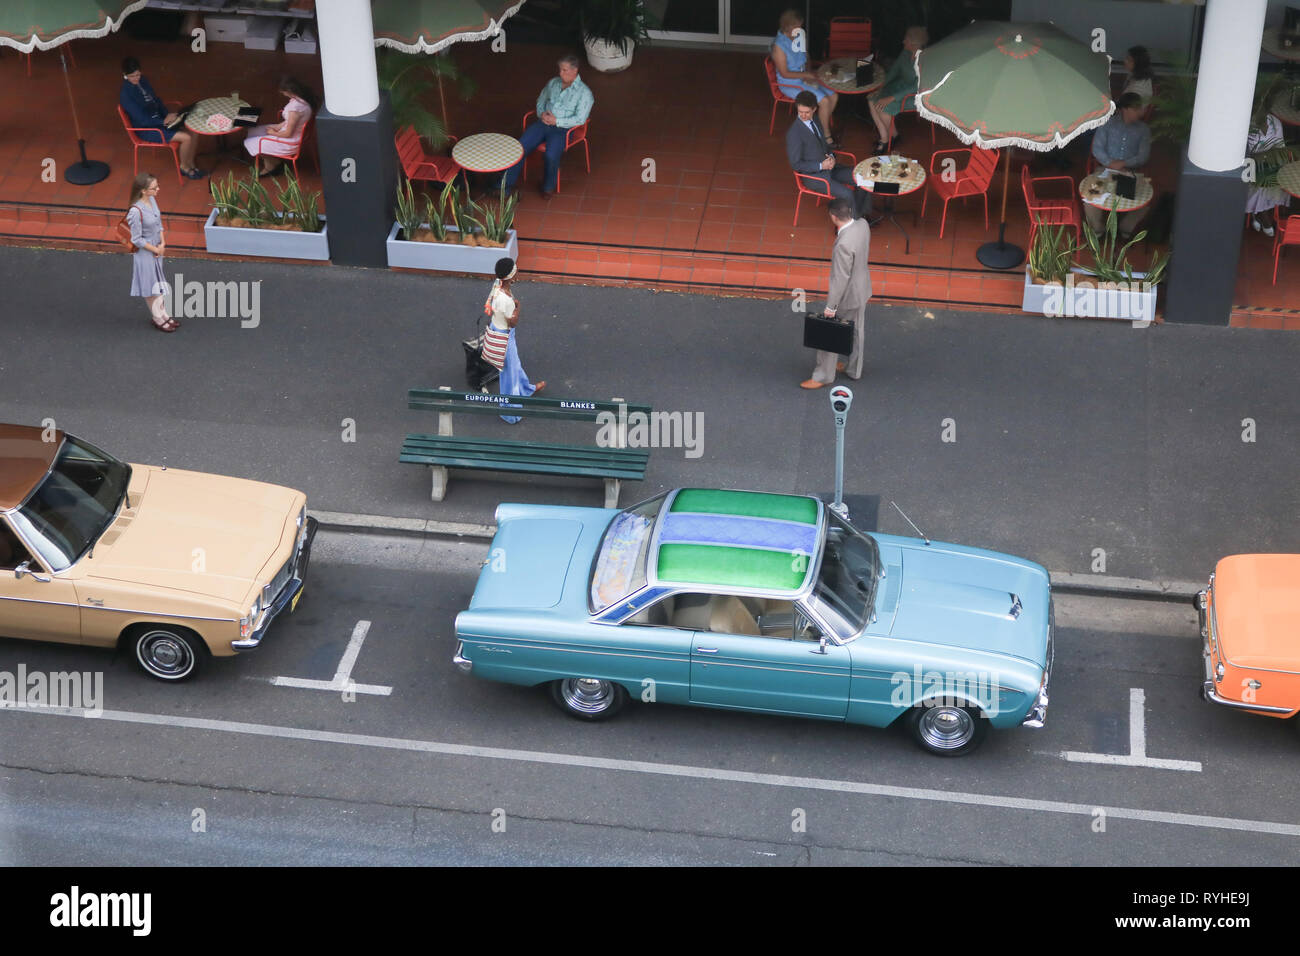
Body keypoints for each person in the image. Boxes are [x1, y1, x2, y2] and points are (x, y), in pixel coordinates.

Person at [502, 55, 594, 200]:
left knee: (551, 155)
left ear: (575, 71)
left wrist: (556, 121)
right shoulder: (553, 83)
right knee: (519, 148)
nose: (560, 73)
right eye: (560, 70)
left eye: (564, 70)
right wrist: (542, 114)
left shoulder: (585, 93)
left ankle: (548, 187)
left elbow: (580, 119)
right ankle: (504, 186)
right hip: (543, 123)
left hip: (563, 129)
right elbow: (541, 100)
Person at [803, 199, 870, 389]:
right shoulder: (863, 225)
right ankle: (853, 369)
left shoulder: (843, 245)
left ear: (833, 216)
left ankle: (822, 376)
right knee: (857, 331)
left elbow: (840, 279)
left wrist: (831, 307)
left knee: (828, 333)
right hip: (862, 288)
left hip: (847, 297)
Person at [787, 91, 872, 220]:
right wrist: (821, 165)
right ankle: (854, 224)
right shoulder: (794, 133)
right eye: (800, 112)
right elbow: (796, 164)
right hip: (814, 177)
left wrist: (831, 156)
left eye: (807, 112)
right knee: (847, 194)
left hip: (831, 168)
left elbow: (824, 144)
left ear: (814, 109)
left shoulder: (815, 119)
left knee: (864, 178)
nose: (803, 115)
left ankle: (861, 215)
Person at [118, 57, 206, 180]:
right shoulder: (126, 95)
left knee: (194, 131)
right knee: (186, 138)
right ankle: (184, 168)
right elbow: (143, 120)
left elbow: (156, 100)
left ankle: (190, 164)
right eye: (132, 76)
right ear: (125, 75)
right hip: (147, 129)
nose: (136, 78)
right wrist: (162, 121)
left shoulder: (143, 81)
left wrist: (167, 115)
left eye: (138, 74)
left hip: (160, 120)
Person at [484, 258, 545, 423]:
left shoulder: (497, 286)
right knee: (509, 375)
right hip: (505, 336)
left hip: (497, 329)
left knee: (515, 365)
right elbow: (513, 321)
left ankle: (526, 389)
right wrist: (518, 307)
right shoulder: (506, 300)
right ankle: (510, 414)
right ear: (511, 276)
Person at [771, 9, 841, 148]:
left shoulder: (798, 36)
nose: (800, 28)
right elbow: (784, 74)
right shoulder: (779, 46)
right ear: (787, 26)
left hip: (805, 77)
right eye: (797, 26)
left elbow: (806, 56)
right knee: (825, 101)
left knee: (834, 95)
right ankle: (826, 138)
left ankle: (816, 129)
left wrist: (809, 72)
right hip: (790, 83)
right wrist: (806, 75)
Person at [1086, 92, 1151, 237]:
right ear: (1125, 109)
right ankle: (1098, 230)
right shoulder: (1107, 124)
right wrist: (1110, 163)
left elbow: (1143, 155)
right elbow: (1097, 148)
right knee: (1090, 198)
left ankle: (1125, 228)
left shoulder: (1144, 130)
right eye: (1136, 109)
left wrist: (1124, 163)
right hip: (1105, 169)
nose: (1141, 112)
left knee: (1143, 202)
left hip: (1131, 170)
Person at [126, 172, 177, 333]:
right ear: (143, 191)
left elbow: (158, 223)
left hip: (156, 249)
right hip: (146, 253)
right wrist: (156, 248)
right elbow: (136, 239)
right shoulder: (135, 212)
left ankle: (164, 314)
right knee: (150, 287)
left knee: (158, 283)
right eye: (154, 188)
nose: (158, 190)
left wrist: (163, 242)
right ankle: (157, 318)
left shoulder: (152, 200)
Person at [867, 26, 928, 153]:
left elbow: (916, 86)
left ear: (913, 43)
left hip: (913, 95)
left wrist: (891, 98)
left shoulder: (923, 59)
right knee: (871, 99)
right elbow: (894, 71)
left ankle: (892, 137)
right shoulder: (905, 53)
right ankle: (885, 138)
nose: (903, 41)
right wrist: (881, 87)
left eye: (906, 39)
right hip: (898, 87)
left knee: (883, 107)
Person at [243, 76, 316, 176]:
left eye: (283, 92)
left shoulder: (295, 109)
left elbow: (288, 134)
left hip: (289, 141)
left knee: (250, 142)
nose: (282, 94)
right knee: (252, 131)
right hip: (293, 133)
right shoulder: (303, 99)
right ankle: (272, 161)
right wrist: (278, 126)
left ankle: (272, 165)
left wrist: (273, 133)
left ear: (288, 91)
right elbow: (290, 121)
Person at [1245, 90, 1291, 237]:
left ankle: (1256, 214)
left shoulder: (1275, 123)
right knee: (1260, 185)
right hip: (1248, 165)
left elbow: (1279, 148)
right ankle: (1264, 218)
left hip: (1270, 162)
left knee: (1280, 182)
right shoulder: (1245, 125)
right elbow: (1244, 152)